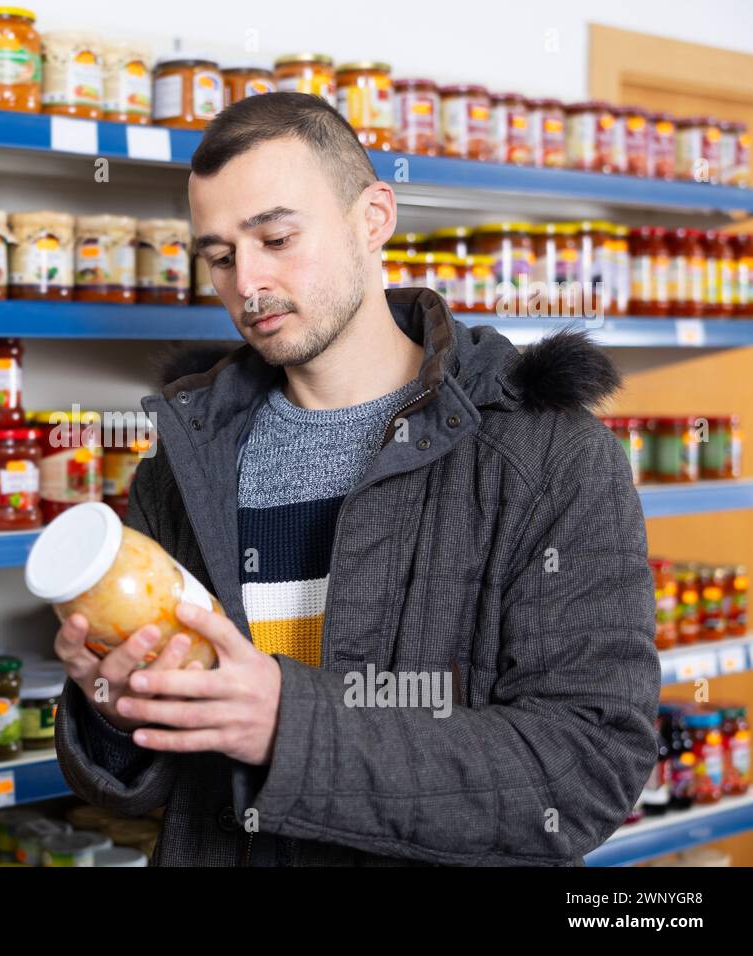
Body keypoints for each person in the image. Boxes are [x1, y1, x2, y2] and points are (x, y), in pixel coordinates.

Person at [51, 92, 661, 866]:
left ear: (373, 218)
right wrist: (111, 710)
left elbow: (584, 768)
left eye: (277, 238)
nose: (249, 282)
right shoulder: (186, 465)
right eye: (220, 257)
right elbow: (149, 779)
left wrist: (289, 726)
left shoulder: (547, 457)